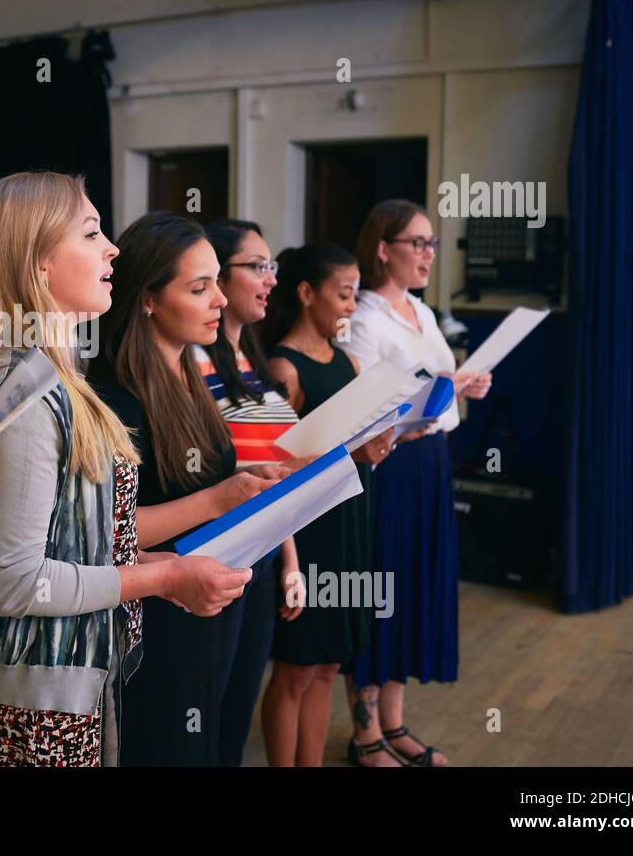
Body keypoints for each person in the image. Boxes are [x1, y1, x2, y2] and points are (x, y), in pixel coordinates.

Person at [0, 174, 248, 766]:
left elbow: (77, 541)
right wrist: (160, 580)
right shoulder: (28, 389)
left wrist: (160, 562)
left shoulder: (53, 375)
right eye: (91, 232)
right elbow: (13, 582)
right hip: (32, 704)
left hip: (58, 682)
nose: (112, 248)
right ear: (37, 265)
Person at [88, 211, 284, 767]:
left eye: (219, 281)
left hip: (214, 597)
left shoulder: (191, 376)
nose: (220, 299)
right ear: (148, 298)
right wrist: (221, 499)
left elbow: (214, 479)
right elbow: (110, 531)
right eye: (199, 287)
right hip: (160, 612)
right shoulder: (114, 399)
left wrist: (257, 485)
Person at [343, 199, 491, 767]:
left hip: (430, 460)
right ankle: (365, 734)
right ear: (384, 249)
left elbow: (437, 396)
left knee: (411, 590)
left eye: (433, 243)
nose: (430, 254)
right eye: (418, 243)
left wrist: (462, 387)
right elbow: (362, 409)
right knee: (380, 592)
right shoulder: (364, 317)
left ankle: (396, 723)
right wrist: (432, 393)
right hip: (390, 467)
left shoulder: (422, 313)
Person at [261, 244, 392, 766]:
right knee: (295, 667)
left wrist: (380, 444)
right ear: (306, 293)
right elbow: (276, 467)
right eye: (343, 294)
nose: (351, 307)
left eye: (356, 296)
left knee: (328, 665)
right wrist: (350, 450)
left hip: (350, 520)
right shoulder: (283, 369)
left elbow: (361, 441)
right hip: (308, 526)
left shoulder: (351, 361)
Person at [197, 219, 305, 767]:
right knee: (206, 718)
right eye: (256, 267)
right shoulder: (191, 363)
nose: (269, 279)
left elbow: (275, 471)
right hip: (215, 561)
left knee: (235, 716)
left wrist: (290, 560)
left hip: (262, 556)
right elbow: (222, 475)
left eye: (273, 268)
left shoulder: (252, 365)